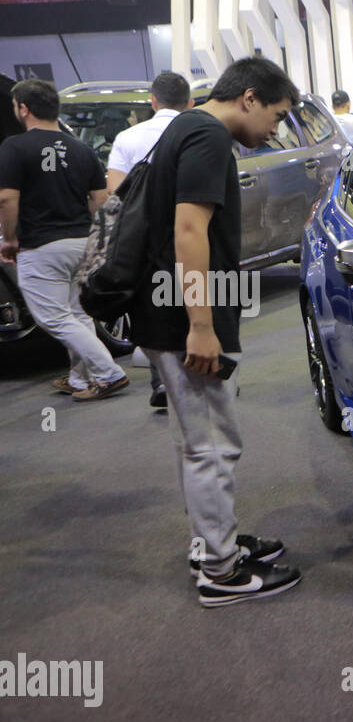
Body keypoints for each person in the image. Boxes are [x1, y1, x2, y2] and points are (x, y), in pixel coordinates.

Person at [136, 56, 302, 607]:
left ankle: (214, 543)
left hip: (168, 308)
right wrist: (202, 327)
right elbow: (189, 230)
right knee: (211, 445)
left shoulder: (186, 125)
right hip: (185, 316)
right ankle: (221, 571)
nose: (275, 129)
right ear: (249, 98)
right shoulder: (207, 135)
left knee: (196, 443)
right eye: (276, 116)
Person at [0, 79, 128, 401]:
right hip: (81, 242)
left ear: (23, 108)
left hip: (42, 246)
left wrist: (9, 239)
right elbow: (100, 200)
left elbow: (7, 200)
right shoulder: (82, 148)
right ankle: (81, 379)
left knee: (54, 318)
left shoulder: (14, 148)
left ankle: (109, 373)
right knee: (77, 313)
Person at [106, 70, 195, 408]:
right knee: (202, 296)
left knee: (158, 309)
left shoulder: (128, 138)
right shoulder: (200, 133)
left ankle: (164, 384)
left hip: (147, 240)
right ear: (189, 102)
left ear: (153, 101)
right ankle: (213, 369)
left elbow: (115, 192)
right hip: (195, 232)